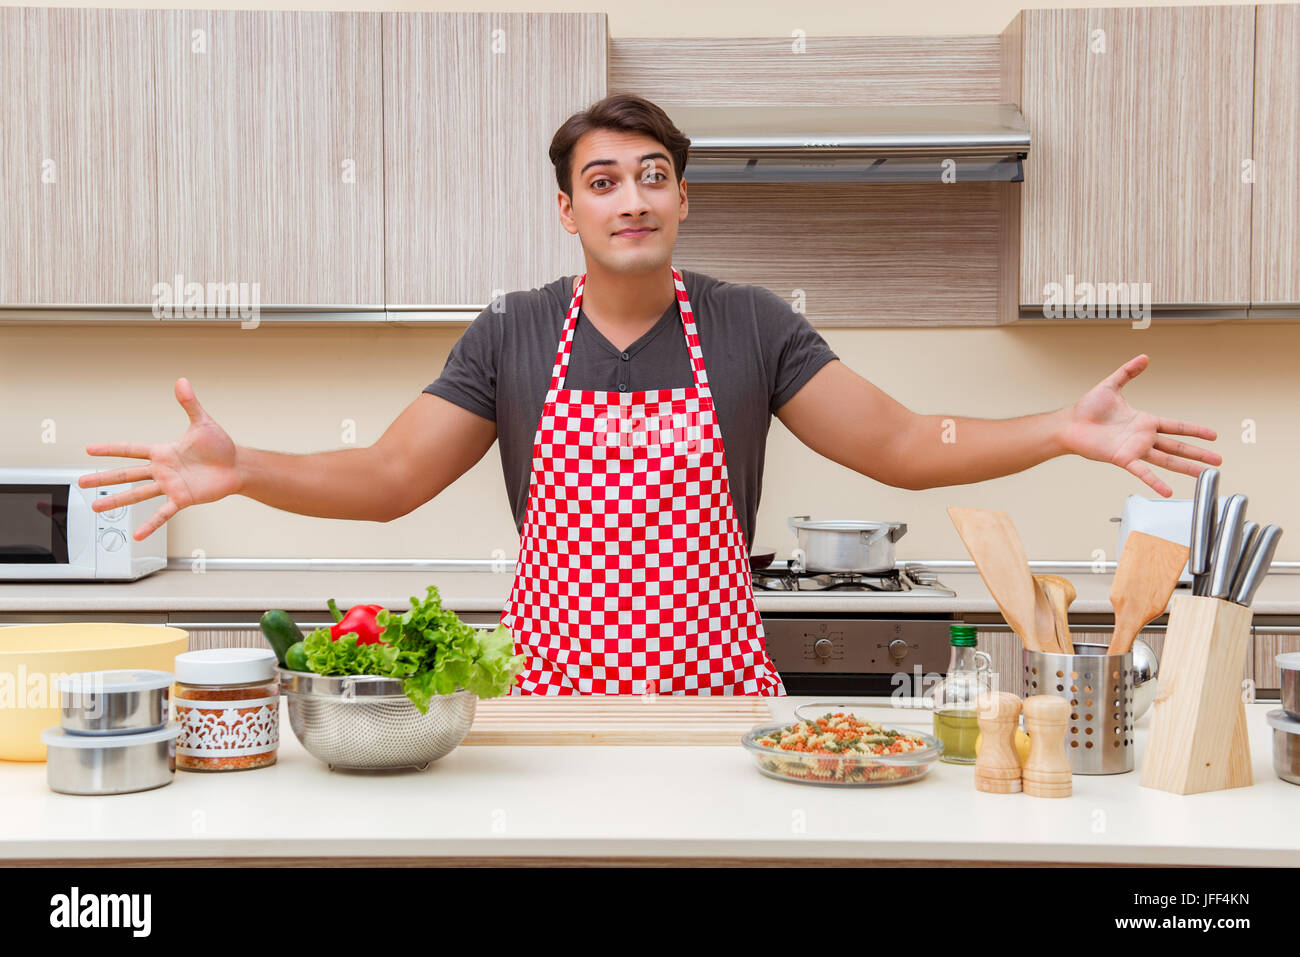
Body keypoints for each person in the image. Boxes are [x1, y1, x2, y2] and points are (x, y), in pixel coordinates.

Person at [80, 93, 1221, 696]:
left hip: (721, 689)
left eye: (654, 177)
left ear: (683, 202)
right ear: (566, 210)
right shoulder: (513, 331)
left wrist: (1063, 431)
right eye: (603, 180)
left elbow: (909, 443)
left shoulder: (751, 324)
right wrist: (243, 471)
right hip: (556, 689)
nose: (632, 197)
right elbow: (386, 480)